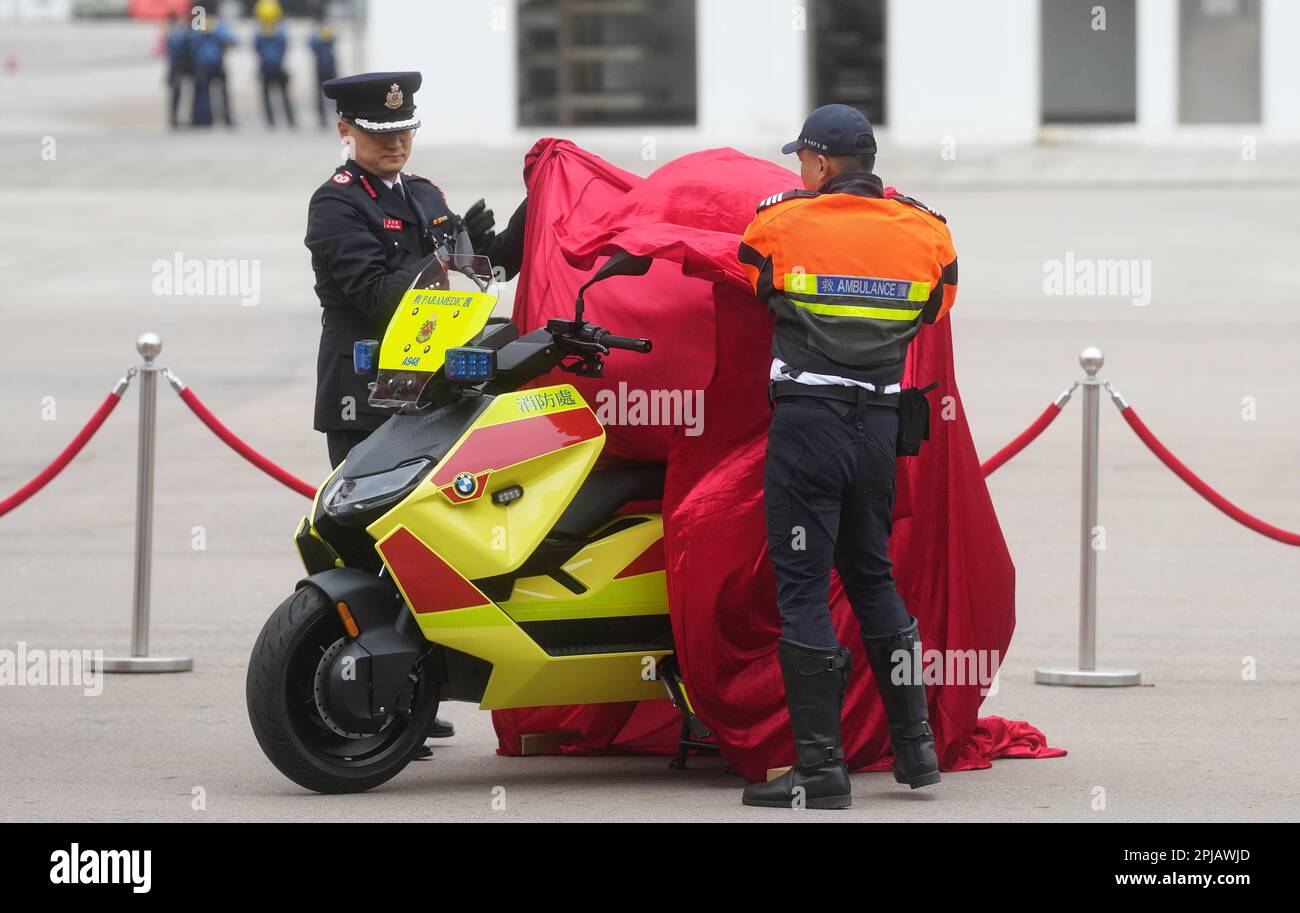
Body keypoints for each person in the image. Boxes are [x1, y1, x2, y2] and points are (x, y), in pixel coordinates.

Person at [736, 104, 959, 809]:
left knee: (802, 590)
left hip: (808, 427)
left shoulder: (780, 223)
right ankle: (916, 752)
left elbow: (756, 285)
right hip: (879, 430)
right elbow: (934, 309)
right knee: (873, 576)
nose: (796, 172)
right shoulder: (928, 232)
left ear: (822, 165)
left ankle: (820, 771)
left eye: (800, 160)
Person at [304, 71, 527, 752]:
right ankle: (345, 692)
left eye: (402, 131)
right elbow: (375, 291)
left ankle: (410, 690)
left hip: (431, 396)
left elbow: (484, 268)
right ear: (347, 131)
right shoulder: (336, 205)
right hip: (365, 393)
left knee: (424, 545)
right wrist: (443, 261)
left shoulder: (424, 194)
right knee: (365, 546)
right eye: (378, 132)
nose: (394, 142)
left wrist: (525, 221)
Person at [253, 0, 295, 128]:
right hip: (268, 67)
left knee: (282, 95)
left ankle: (288, 119)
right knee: (269, 95)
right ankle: (273, 120)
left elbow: (284, 46)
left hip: (276, 66)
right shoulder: (261, 32)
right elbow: (257, 47)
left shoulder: (278, 30)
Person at [307, 13, 338, 128]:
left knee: (335, 93)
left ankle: (337, 114)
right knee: (320, 93)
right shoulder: (317, 35)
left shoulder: (325, 33)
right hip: (322, 65)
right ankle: (322, 117)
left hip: (328, 64)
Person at [163, 12, 192, 129]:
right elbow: (178, 50)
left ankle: (175, 118)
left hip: (174, 67)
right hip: (176, 67)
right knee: (177, 93)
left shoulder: (172, 33)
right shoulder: (176, 33)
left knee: (177, 94)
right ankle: (174, 118)